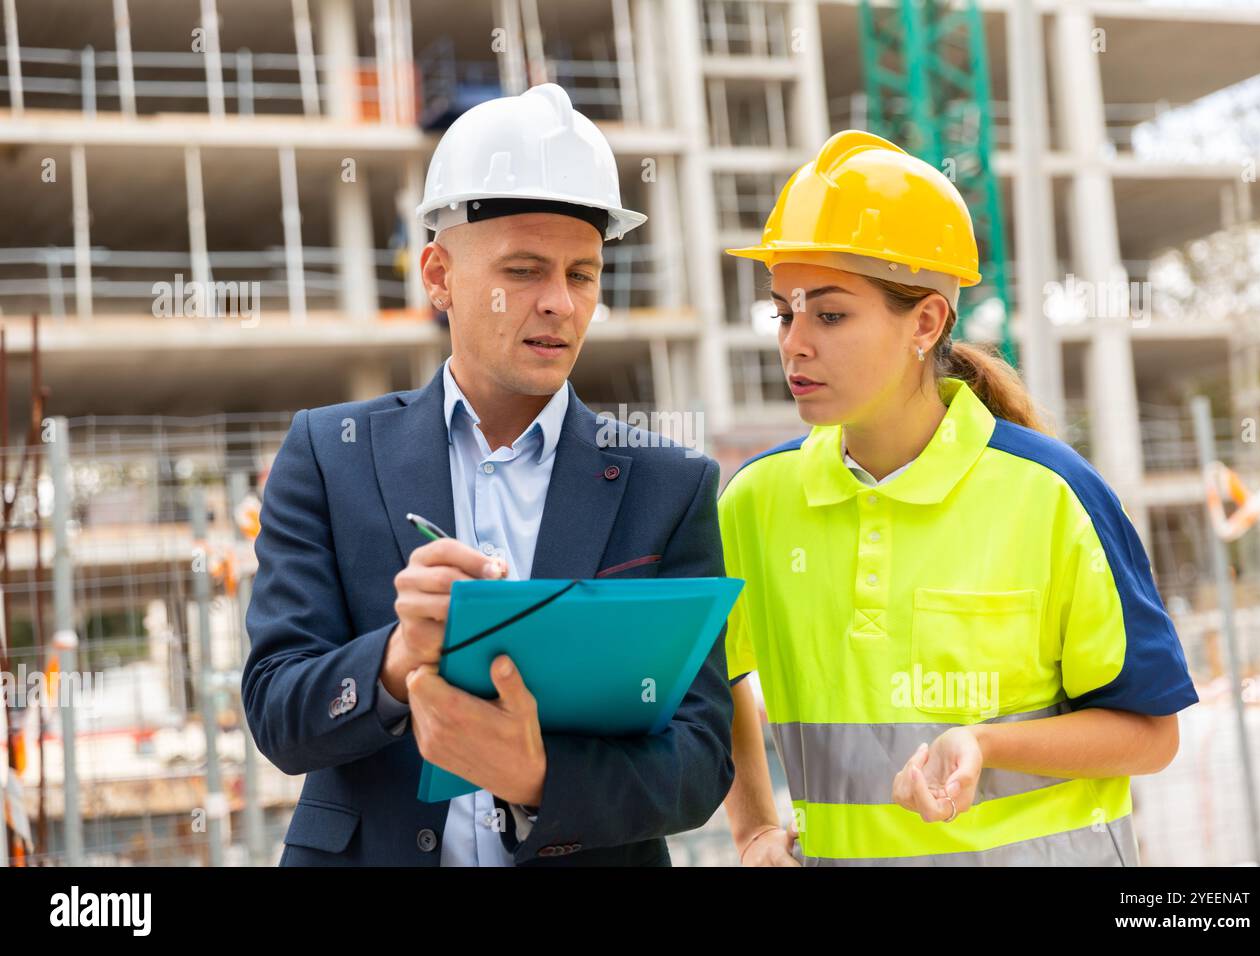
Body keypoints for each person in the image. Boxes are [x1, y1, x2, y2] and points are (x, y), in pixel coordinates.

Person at [242, 84, 734, 866]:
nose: (559, 305)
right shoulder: (328, 455)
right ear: (439, 276)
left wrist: (538, 776)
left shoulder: (668, 486)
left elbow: (702, 760)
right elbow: (277, 709)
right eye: (525, 270)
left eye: (581, 275)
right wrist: (397, 661)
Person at [718, 130, 1198, 866]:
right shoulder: (755, 501)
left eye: (831, 314)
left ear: (926, 322)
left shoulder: (1052, 494)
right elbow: (708, 681)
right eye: (785, 312)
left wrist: (985, 743)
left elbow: (1152, 734)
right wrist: (752, 826)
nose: (795, 343)